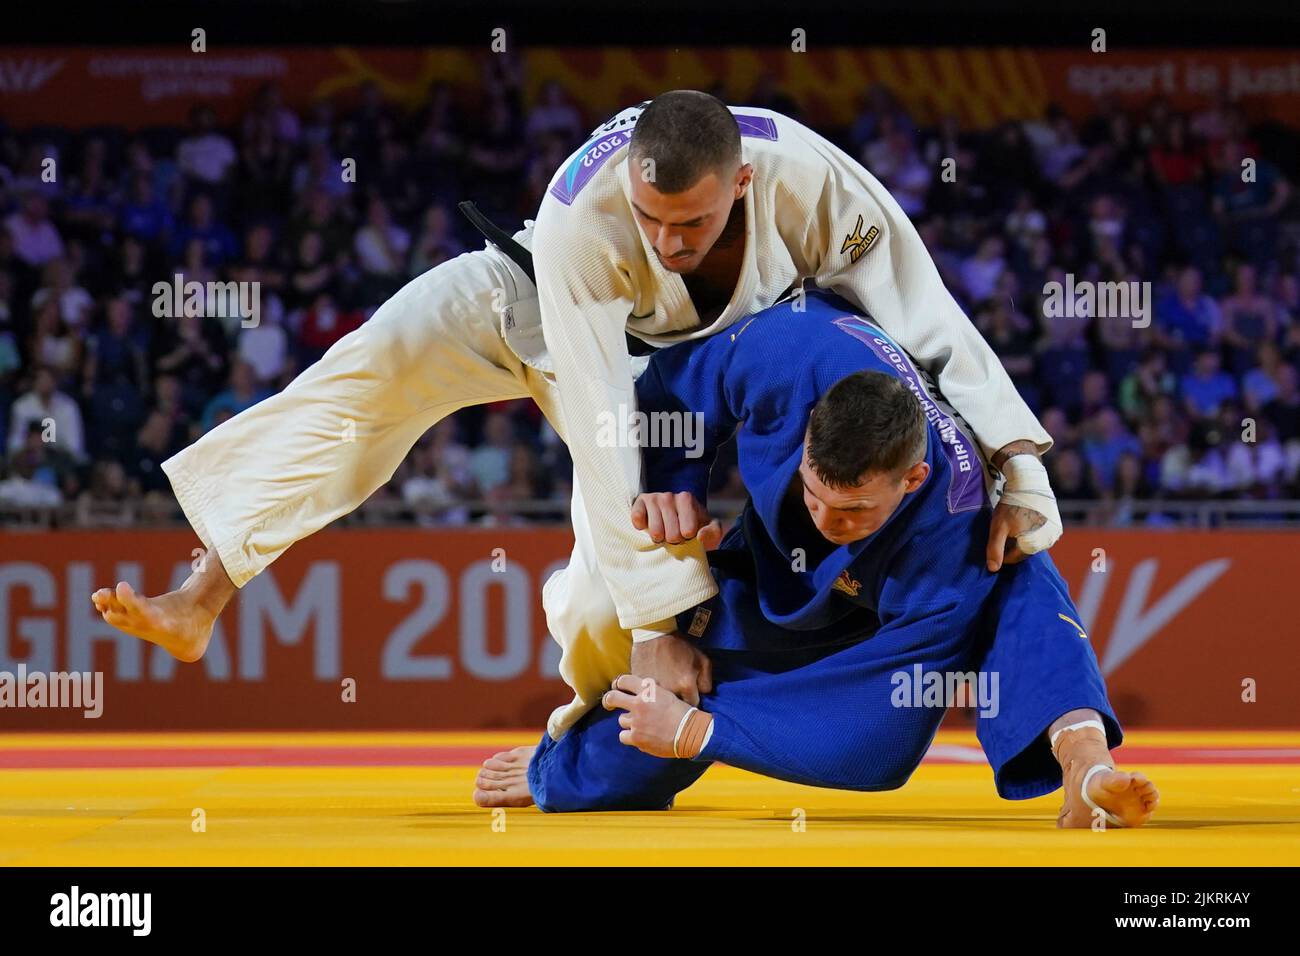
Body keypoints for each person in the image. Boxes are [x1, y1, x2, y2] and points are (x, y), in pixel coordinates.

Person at [91, 92, 1061, 738]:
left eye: (692, 222)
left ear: (744, 184)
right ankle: (204, 592)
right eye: (650, 218)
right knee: (372, 368)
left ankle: (593, 728)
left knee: (606, 596)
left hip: (704, 376)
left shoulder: (813, 182)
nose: (667, 240)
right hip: (546, 313)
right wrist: (660, 618)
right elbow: (602, 423)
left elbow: (923, 316)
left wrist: (1016, 462)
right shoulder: (579, 221)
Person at [474, 292, 1157, 829]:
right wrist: (678, 491)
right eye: (816, 493)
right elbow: (662, 394)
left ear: (911, 480)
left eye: (856, 511)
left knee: (1020, 571)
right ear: (805, 437)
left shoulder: (953, 535)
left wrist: (697, 732)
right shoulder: (786, 351)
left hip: (886, 610)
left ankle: (1085, 766)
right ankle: (559, 772)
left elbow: (879, 746)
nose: (831, 522)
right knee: (604, 771)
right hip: (772, 577)